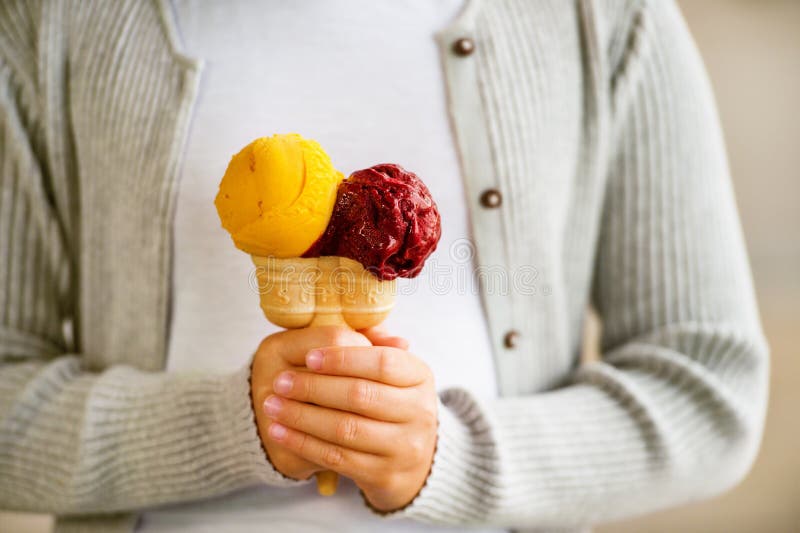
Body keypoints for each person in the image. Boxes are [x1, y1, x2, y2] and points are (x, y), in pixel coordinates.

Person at [0, 1, 768, 532]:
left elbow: (710, 390)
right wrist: (233, 423)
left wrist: (450, 454)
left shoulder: (603, 18)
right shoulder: (50, 23)